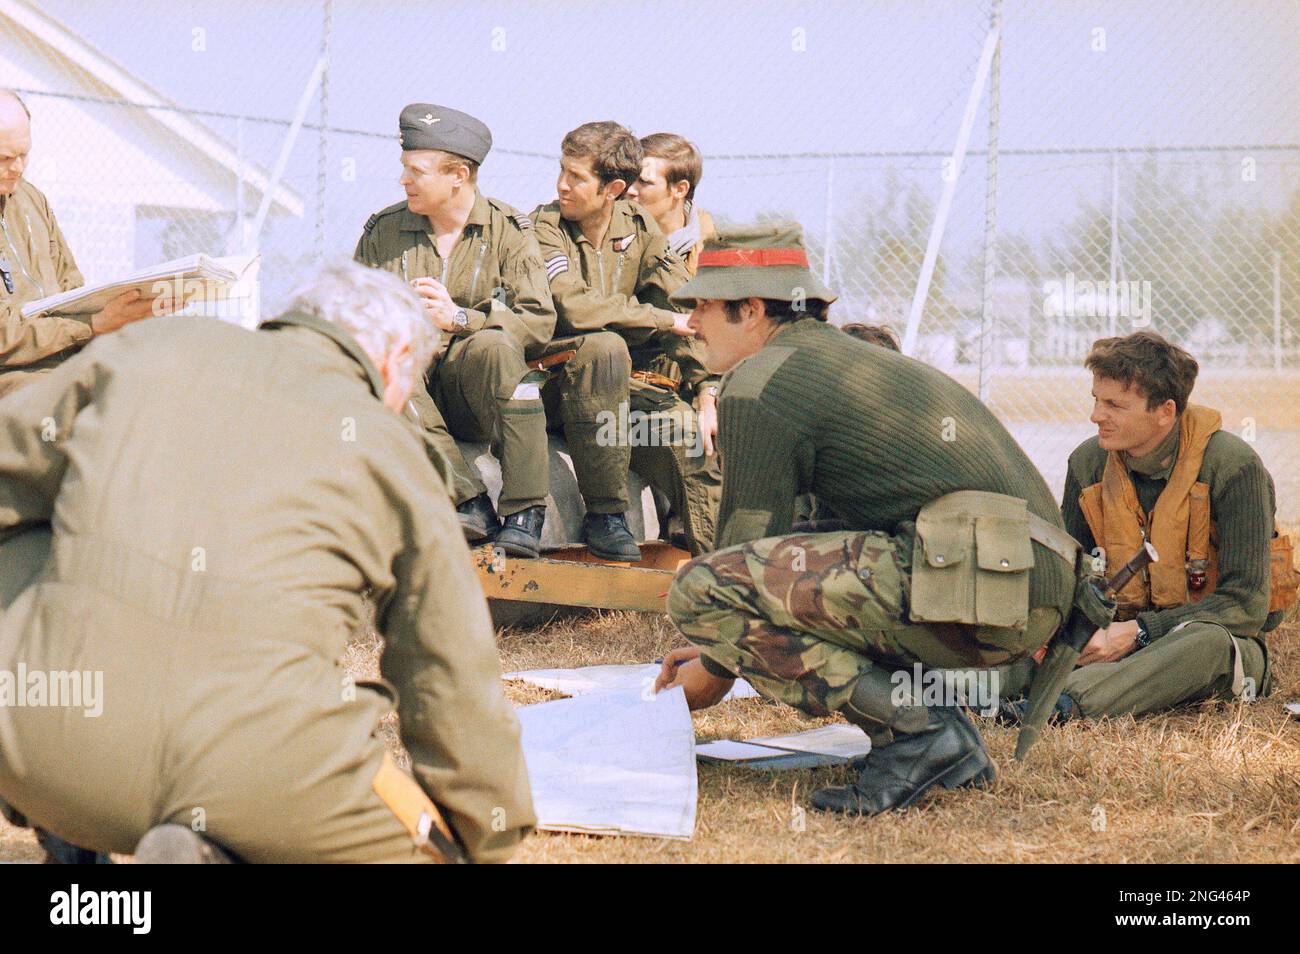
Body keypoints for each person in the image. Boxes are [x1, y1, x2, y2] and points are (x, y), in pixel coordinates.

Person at [0, 261, 535, 863]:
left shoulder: (148, 349)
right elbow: (449, 662)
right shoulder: (392, 449)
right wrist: (483, 835)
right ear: (390, 367)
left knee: (27, 535)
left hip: (49, 744)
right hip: (267, 781)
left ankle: (78, 821)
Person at [655, 223, 1076, 816]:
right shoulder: (832, 358)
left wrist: (714, 670)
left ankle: (920, 736)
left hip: (992, 585)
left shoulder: (760, 381)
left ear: (749, 310)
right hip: (1026, 581)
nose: (691, 323)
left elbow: (742, 555)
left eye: (702, 307)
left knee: (701, 590)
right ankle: (947, 739)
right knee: (810, 564)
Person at [1000, 332, 1297, 724]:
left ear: (1165, 411)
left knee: (1206, 645)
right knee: (1017, 639)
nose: (1095, 416)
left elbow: (1245, 605)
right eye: (1096, 400)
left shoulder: (1235, 467)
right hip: (1112, 640)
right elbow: (1067, 579)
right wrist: (1076, 631)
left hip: (1210, 643)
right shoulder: (1088, 464)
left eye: (1114, 405)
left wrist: (1137, 632)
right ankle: (977, 691)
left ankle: (1064, 704)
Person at [356, 103, 556, 556]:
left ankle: (525, 511)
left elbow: (537, 320)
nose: (404, 180)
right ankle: (467, 498)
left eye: (416, 171)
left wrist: (461, 319)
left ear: (458, 175)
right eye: (404, 169)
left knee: (495, 346)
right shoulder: (383, 233)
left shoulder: (508, 231)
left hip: (477, 393)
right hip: (409, 396)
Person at [531, 122, 716, 558]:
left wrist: (708, 388)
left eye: (576, 177)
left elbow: (682, 306)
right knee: (604, 347)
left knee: (693, 436)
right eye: (562, 171)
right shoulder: (544, 228)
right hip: (556, 386)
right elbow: (575, 308)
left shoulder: (638, 227)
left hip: (620, 393)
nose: (562, 185)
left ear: (613, 188)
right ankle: (606, 515)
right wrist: (659, 319)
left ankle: (720, 571)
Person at [0, 89, 165, 398]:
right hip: (15, 377)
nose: (19, 168)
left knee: (159, 381)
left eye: (24, 154)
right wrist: (91, 325)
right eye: (5, 158)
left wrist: (127, 309)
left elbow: (72, 288)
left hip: (64, 358)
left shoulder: (31, 200)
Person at [626, 133, 717, 274]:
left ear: (680, 190)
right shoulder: (612, 237)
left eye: (644, 182)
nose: (630, 190)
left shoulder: (713, 254)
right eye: (631, 179)